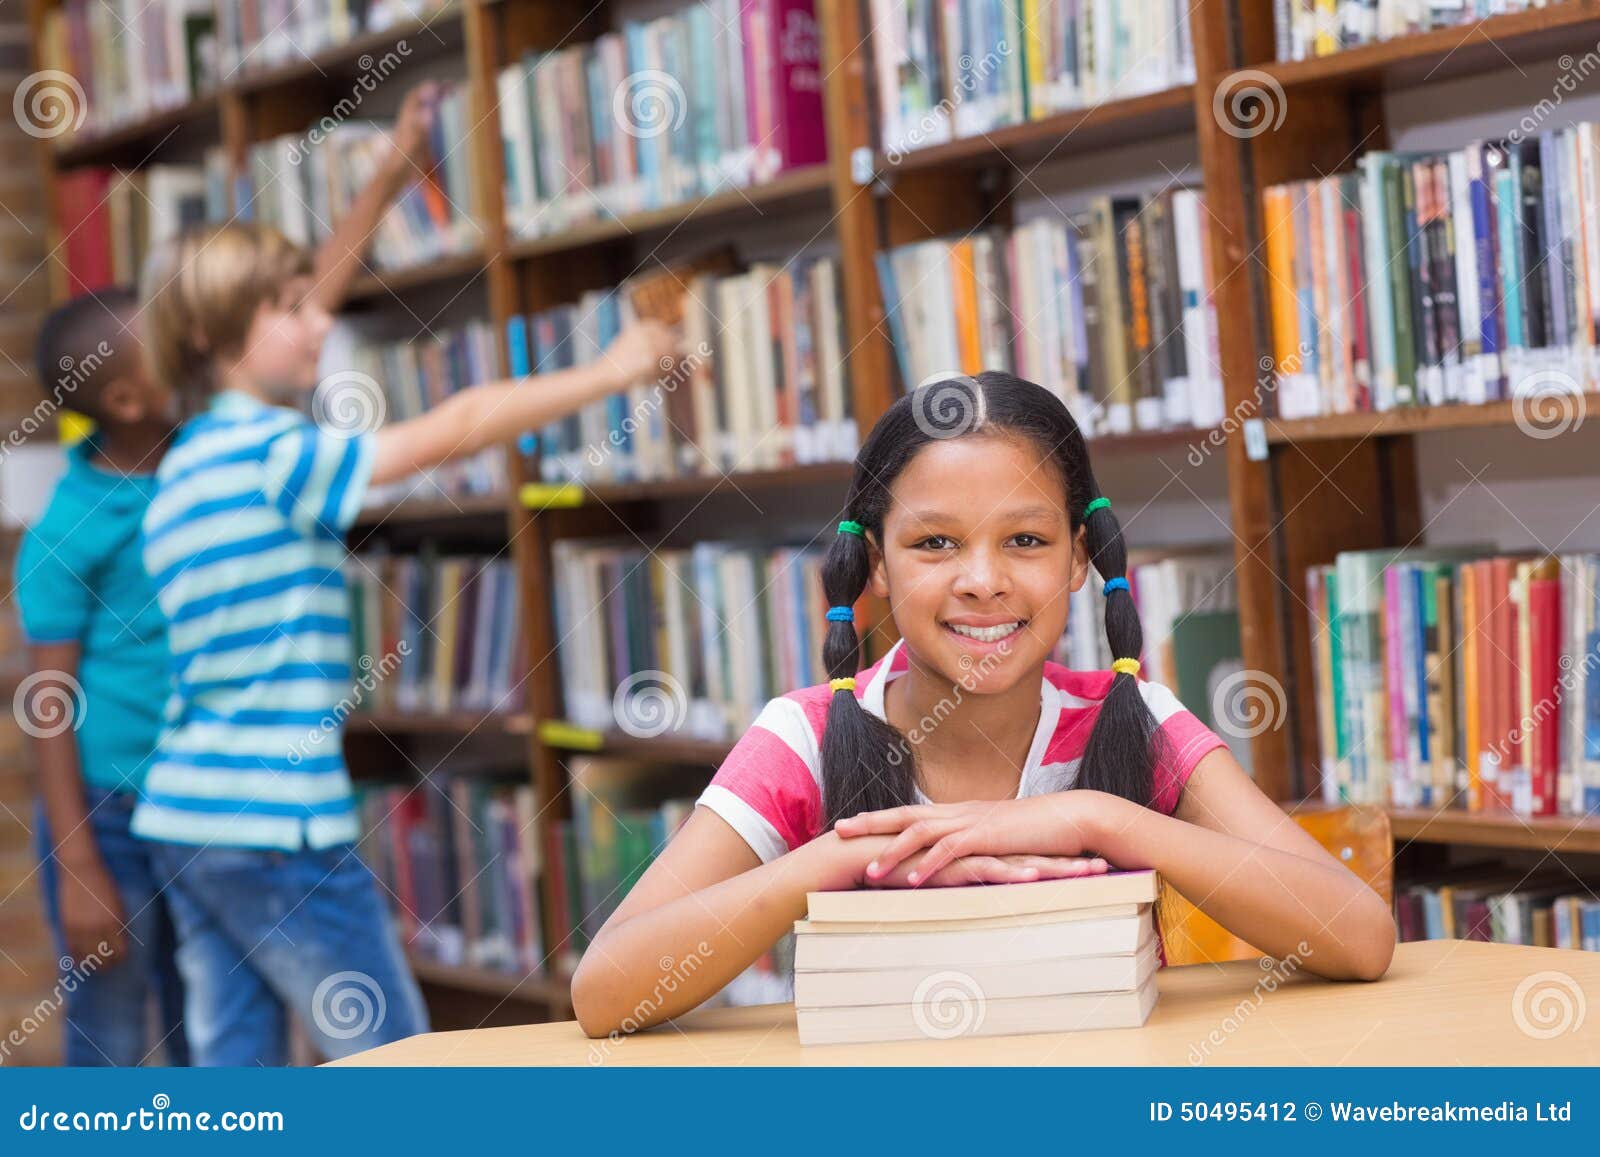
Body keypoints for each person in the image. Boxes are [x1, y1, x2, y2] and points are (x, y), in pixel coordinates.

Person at [569, 372, 1396, 1037]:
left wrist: (1101, 818)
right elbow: (606, 992)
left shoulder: (1134, 715)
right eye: (935, 543)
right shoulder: (806, 735)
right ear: (877, 568)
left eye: (1026, 541)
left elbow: (1359, 936)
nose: (982, 579)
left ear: (1080, 558)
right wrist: (846, 857)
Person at [130, 205, 678, 1064]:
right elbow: (454, 429)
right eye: (289, 307)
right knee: (393, 1058)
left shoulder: (180, 471)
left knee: (233, 1061)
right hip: (279, 829)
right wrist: (610, 370)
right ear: (209, 332)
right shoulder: (277, 453)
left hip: (185, 814)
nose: (320, 321)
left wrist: (385, 178)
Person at [10, 79, 450, 1066]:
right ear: (126, 394)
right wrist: (77, 860)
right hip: (113, 807)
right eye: (166, 339)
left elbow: (303, 306)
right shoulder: (71, 523)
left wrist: (385, 174)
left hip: (207, 791)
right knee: (118, 1031)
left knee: (216, 1023)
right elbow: (46, 692)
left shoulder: (230, 454)